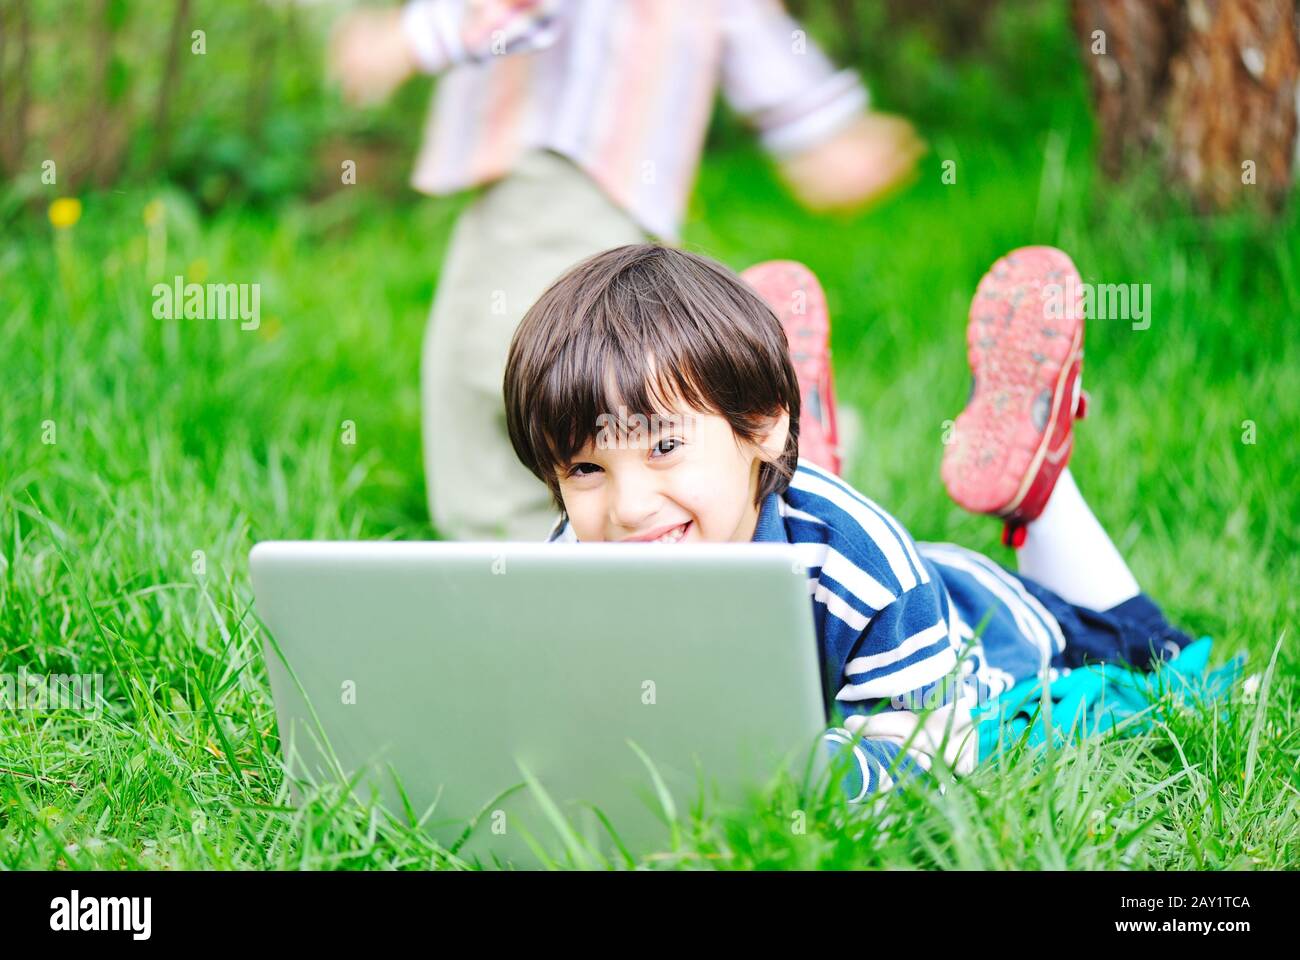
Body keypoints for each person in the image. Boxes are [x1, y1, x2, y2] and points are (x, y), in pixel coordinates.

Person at [501, 242, 1232, 799]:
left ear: (760, 426)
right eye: (585, 470)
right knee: (813, 561)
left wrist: (794, 780)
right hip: (832, 577)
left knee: (1153, 655)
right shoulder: (581, 555)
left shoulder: (866, 568)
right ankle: (783, 474)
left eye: (663, 446)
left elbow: (924, 755)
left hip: (978, 621)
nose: (627, 509)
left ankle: (1038, 490)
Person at [329, 0, 925, 541]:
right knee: (609, 365)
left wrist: (414, 37)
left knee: (504, 374)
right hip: (617, 163)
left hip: (561, 148)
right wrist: (815, 121)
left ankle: (532, 583)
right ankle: (763, 438)